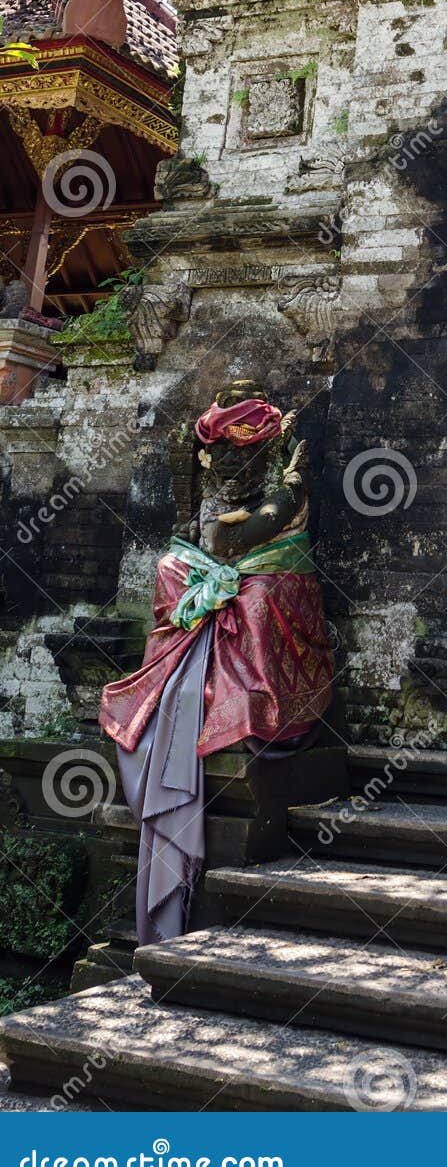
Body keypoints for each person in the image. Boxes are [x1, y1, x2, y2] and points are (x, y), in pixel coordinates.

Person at [99, 380, 333, 943]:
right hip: (225, 577)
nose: (230, 463)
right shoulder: (220, 483)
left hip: (275, 587)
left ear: (270, 450)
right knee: (168, 571)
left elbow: (244, 536)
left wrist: (283, 487)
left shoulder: (289, 487)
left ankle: (243, 698)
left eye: (244, 449)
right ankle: (190, 679)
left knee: (252, 600)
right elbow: (205, 541)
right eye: (221, 450)